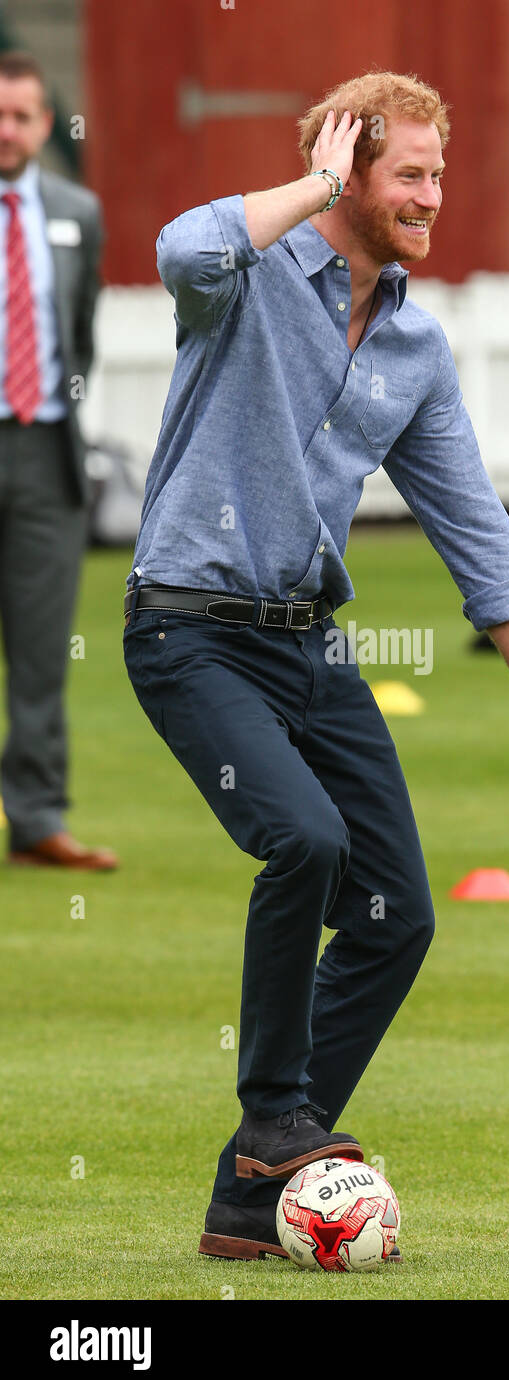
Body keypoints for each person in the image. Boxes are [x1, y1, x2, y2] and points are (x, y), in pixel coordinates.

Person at [123, 71, 509, 1263]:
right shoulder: (247, 283)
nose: (433, 195)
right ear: (349, 174)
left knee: (397, 912)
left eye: (437, 172)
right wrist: (312, 185)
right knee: (306, 842)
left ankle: (248, 1189)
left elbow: (472, 522)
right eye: (407, 174)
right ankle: (276, 1117)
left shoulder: (418, 346)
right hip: (188, 629)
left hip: (309, 646)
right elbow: (179, 249)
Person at [0, 51, 117, 870]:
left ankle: (37, 819)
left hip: (47, 454)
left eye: (22, 116)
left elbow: (82, 329)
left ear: (45, 124)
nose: (7, 131)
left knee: (43, 653)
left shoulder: (77, 209)